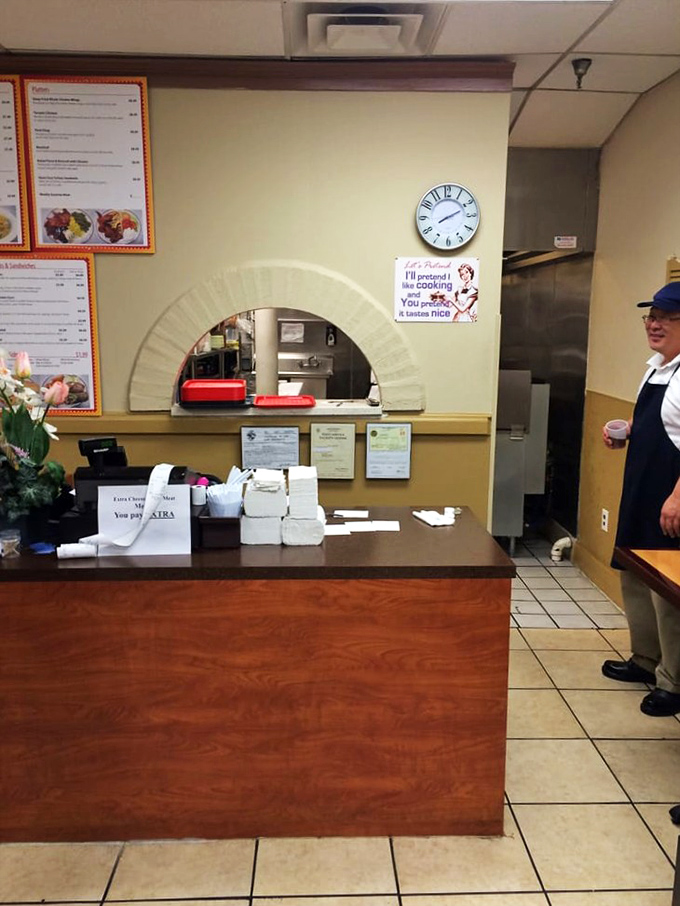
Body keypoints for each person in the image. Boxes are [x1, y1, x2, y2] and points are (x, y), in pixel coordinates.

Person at [602, 281, 680, 717]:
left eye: (666, 318)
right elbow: (658, 421)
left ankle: (674, 680)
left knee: (668, 590)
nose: (654, 324)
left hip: (670, 498)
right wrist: (626, 430)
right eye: (651, 316)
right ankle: (645, 659)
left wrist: (677, 498)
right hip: (641, 490)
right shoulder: (655, 368)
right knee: (635, 576)